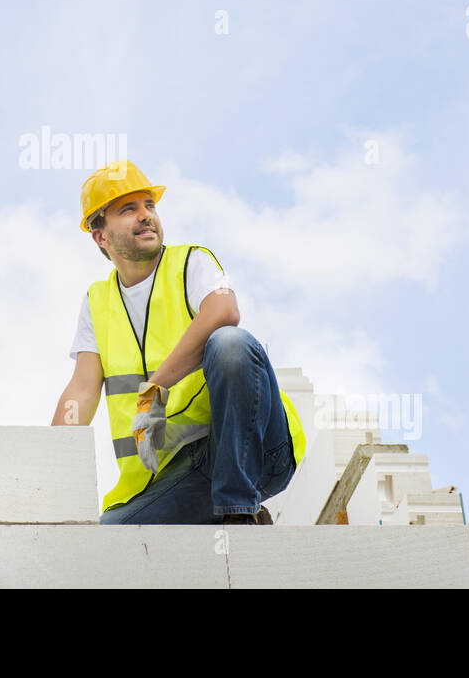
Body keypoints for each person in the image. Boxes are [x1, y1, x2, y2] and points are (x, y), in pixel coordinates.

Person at [52, 160, 307, 524]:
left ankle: (239, 513)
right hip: (188, 472)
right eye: (129, 209)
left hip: (260, 451)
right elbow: (81, 389)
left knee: (231, 345)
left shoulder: (190, 262)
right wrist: (42, 469)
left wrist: (156, 386)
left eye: (149, 206)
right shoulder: (97, 302)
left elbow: (223, 311)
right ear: (101, 236)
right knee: (107, 538)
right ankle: (226, 512)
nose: (146, 216)